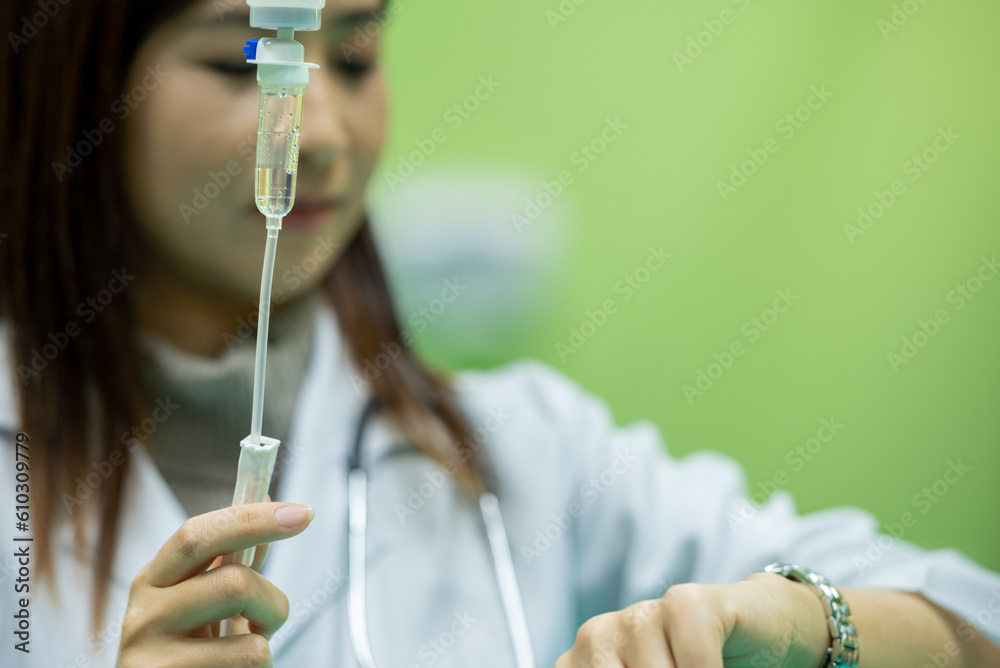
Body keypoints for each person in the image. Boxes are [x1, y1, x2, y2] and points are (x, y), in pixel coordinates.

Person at [1, 1, 999, 666]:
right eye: (250, 60)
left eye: (356, 56)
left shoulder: (521, 448)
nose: (320, 133)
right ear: (76, 82)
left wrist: (798, 620)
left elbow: (973, 617)